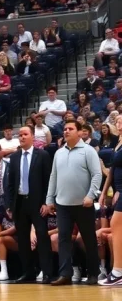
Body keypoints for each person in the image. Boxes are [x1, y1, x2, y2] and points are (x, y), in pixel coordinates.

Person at [46, 120, 101, 286]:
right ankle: (65, 274)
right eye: (65, 129)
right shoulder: (58, 153)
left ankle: (93, 273)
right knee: (63, 239)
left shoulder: (88, 151)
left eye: (70, 128)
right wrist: (49, 199)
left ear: (79, 132)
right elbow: (53, 177)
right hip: (62, 204)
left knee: (89, 239)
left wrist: (91, 195)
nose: (66, 131)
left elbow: (97, 175)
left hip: (84, 204)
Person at [6, 125, 53, 284]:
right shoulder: (14, 157)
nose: (22, 137)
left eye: (25, 134)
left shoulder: (43, 155)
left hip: (38, 203)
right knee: (23, 240)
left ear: (33, 136)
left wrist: (47, 202)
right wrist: (9, 205)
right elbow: (10, 184)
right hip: (20, 203)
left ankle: (47, 272)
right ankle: (28, 272)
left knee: (42, 237)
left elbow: (48, 181)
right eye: (20, 135)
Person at [98, 115, 122, 285]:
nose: (119, 123)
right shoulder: (118, 144)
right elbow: (112, 171)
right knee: (116, 227)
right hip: (118, 189)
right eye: (117, 121)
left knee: (115, 224)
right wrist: (104, 191)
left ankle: (117, 271)